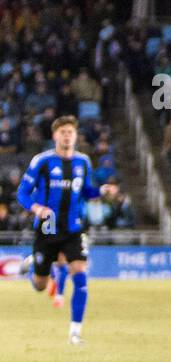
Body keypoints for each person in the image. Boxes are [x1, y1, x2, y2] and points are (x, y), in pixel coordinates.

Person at [16, 116, 116, 344]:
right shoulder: (42, 161)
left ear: (75, 135)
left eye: (70, 131)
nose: (67, 135)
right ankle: (35, 264)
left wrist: (102, 190)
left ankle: (75, 333)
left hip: (73, 229)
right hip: (47, 229)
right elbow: (22, 193)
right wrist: (36, 207)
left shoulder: (83, 162)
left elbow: (86, 191)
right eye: (63, 132)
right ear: (55, 136)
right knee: (40, 286)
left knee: (80, 276)